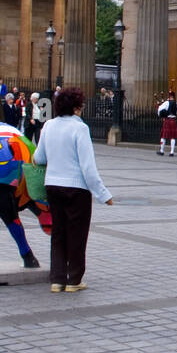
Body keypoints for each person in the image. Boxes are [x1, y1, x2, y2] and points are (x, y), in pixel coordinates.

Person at [33, 87, 112, 292]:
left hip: (52, 186)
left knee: (58, 232)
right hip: (76, 189)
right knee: (77, 234)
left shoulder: (48, 126)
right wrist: (103, 194)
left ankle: (57, 279)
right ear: (76, 108)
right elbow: (88, 167)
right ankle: (74, 280)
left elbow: (39, 158)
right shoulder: (80, 129)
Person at [157, 91, 177, 156]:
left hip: (167, 120)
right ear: (174, 96)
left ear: (169, 96)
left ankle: (161, 151)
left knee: (163, 136)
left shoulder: (167, 102)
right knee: (173, 137)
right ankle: (172, 152)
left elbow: (159, 109)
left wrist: (161, 115)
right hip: (173, 121)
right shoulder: (176, 104)